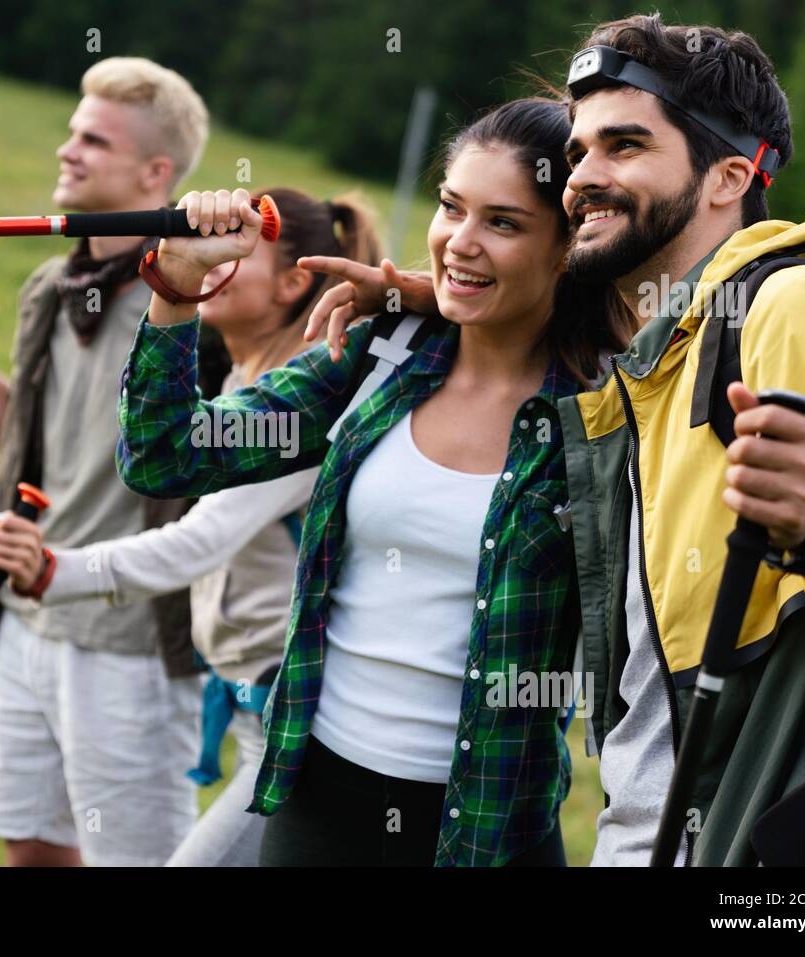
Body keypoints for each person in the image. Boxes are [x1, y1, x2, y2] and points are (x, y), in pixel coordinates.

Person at [316, 15, 805, 867]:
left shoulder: (790, 308)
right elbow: (535, 290)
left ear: (730, 175)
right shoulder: (653, 352)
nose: (582, 177)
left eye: (624, 146)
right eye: (579, 152)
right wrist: (428, 291)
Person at [115, 98, 634, 866]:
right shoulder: (384, 355)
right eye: (452, 208)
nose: (460, 242)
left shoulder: (607, 411)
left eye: (504, 223)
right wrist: (179, 285)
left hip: (490, 829)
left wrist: (431, 290)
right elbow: (167, 454)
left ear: (568, 246)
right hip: (314, 809)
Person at [0, 187, 382, 866]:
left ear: (295, 283)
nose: (214, 263)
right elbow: (156, 450)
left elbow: (197, 542)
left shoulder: (299, 411)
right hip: (256, 715)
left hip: (299, 731)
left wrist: (56, 571)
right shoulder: (240, 382)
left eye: (239, 252)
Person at [0, 57, 213, 867]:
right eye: (71, 131)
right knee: (31, 846)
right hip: (30, 613)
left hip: (129, 636)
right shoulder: (49, 286)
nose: (67, 150)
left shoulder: (191, 307)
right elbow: (20, 433)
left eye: (93, 140)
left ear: (154, 172)